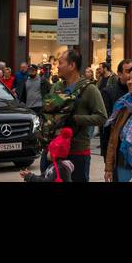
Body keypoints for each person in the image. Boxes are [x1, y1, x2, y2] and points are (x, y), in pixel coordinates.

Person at [33, 49, 106, 182]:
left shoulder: (89, 89)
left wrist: (76, 119)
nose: (57, 66)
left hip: (77, 151)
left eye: (60, 63)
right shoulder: (56, 87)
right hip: (52, 150)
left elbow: (102, 117)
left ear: (72, 65)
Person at [97, 59, 131, 157]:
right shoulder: (109, 92)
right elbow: (105, 122)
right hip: (115, 148)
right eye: (128, 71)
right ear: (119, 74)